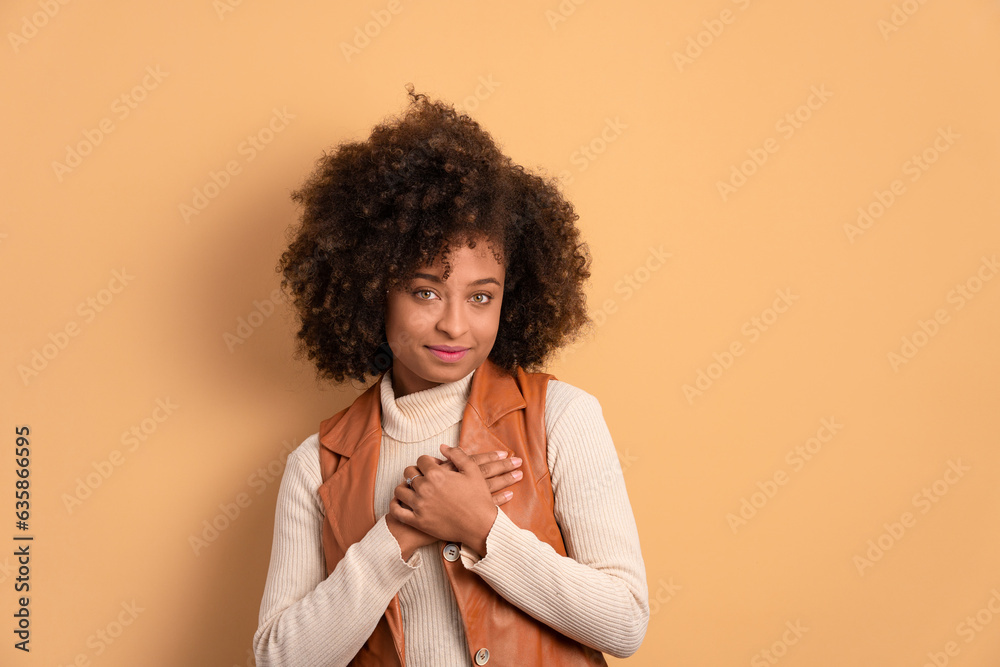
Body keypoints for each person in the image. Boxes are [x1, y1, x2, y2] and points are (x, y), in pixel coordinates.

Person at [253, 84, 648, 666]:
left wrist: (483, 528)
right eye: (425, 291)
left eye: (481, 297)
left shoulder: (560, 418)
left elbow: (624, 621)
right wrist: (400, 534)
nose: (455, 325)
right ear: (372, 289)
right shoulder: (318, 464)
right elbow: (279, 660)